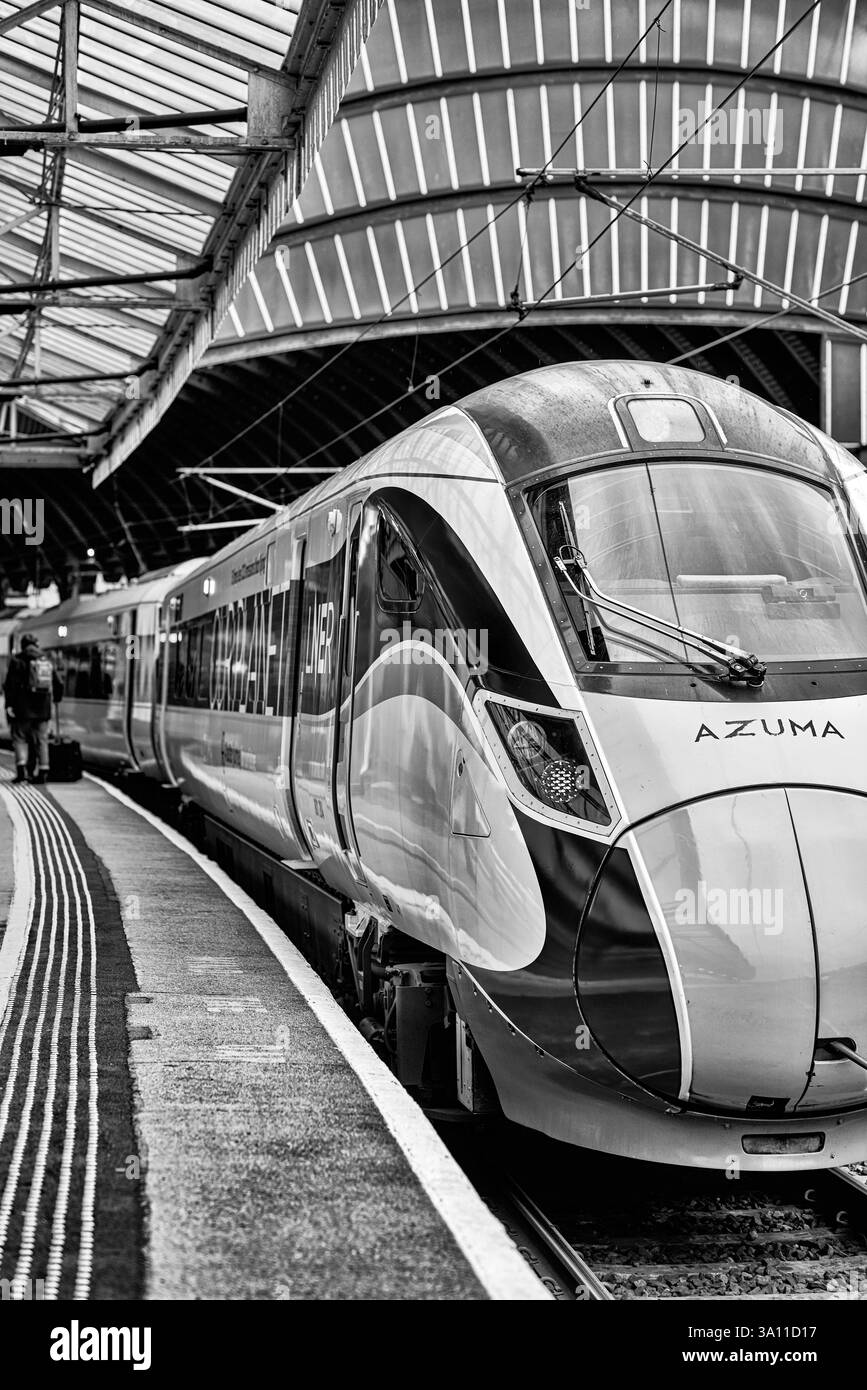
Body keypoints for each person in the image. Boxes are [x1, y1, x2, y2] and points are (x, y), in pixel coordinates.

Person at [3, 635, 63, 785]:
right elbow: (59, 683)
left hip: (22, 710)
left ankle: (22, 773)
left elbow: (9, 685)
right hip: (43, 709)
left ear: (22, 646)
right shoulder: (45, 659)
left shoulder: (17, 661)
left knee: (19, 739)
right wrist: (56, 699)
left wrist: (9, 705)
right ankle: (43, 772)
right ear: (36, 644)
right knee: (42, 741)